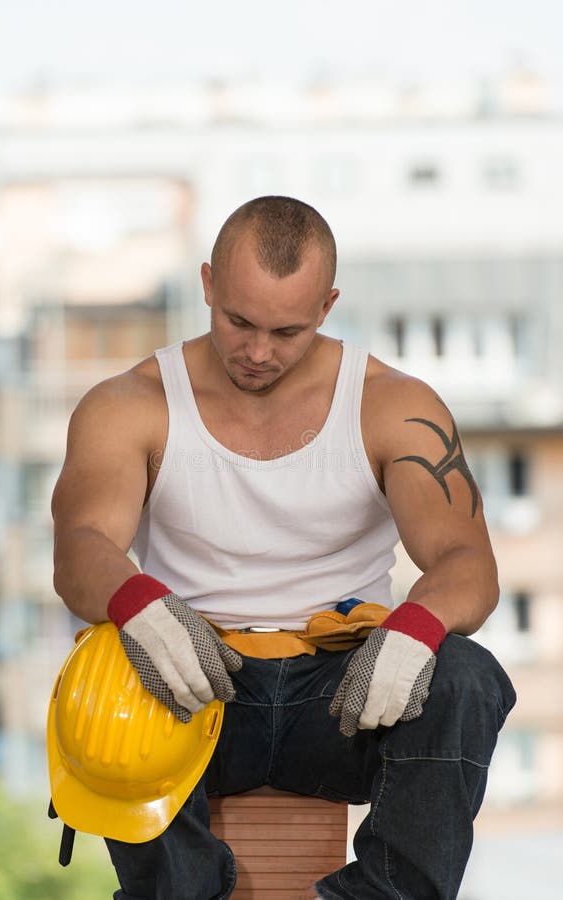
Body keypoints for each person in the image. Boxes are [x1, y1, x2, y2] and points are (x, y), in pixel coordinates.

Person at [51, 195, 516, 900]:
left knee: (465, 678)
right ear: (208, 284)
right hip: (196, 689)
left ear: (326, 306)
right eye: (238, 322)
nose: (258, 352)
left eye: (286, 330)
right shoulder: (129, 403)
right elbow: (80, 544)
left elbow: (467, 564)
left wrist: (415, 629)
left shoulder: (391, 404)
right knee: (103, 665)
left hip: (347, 697)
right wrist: (137, 601)